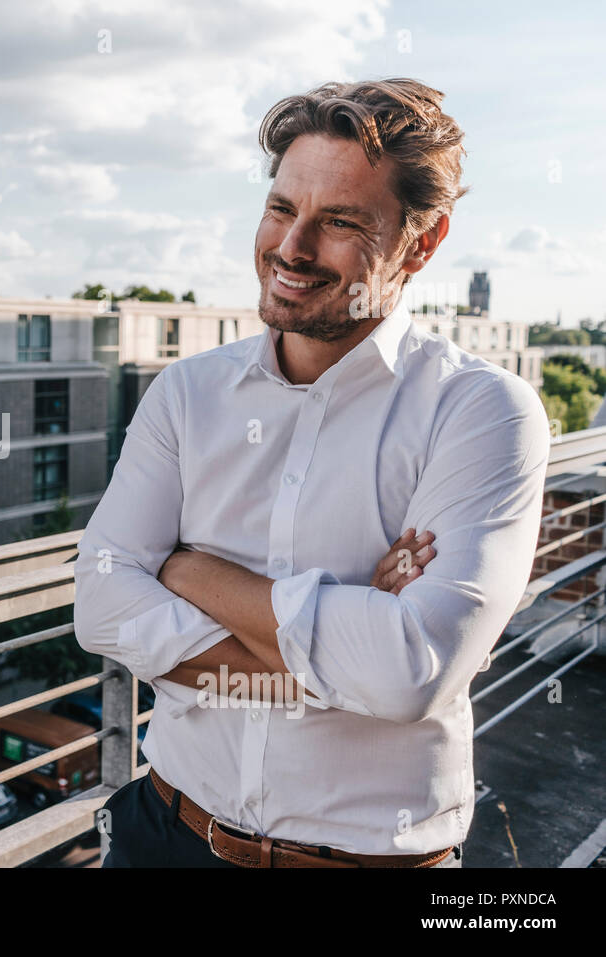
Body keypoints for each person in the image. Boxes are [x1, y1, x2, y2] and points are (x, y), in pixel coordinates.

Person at [75, 79, 550, 868]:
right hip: (168, 835)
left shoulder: (482, 413)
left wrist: (189, 572)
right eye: (280, 209)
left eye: (337, 222)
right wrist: (336, 652)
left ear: (421, 243)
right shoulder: (186, 395)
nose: (291, 249)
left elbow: (406, 674)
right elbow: (100, 603)